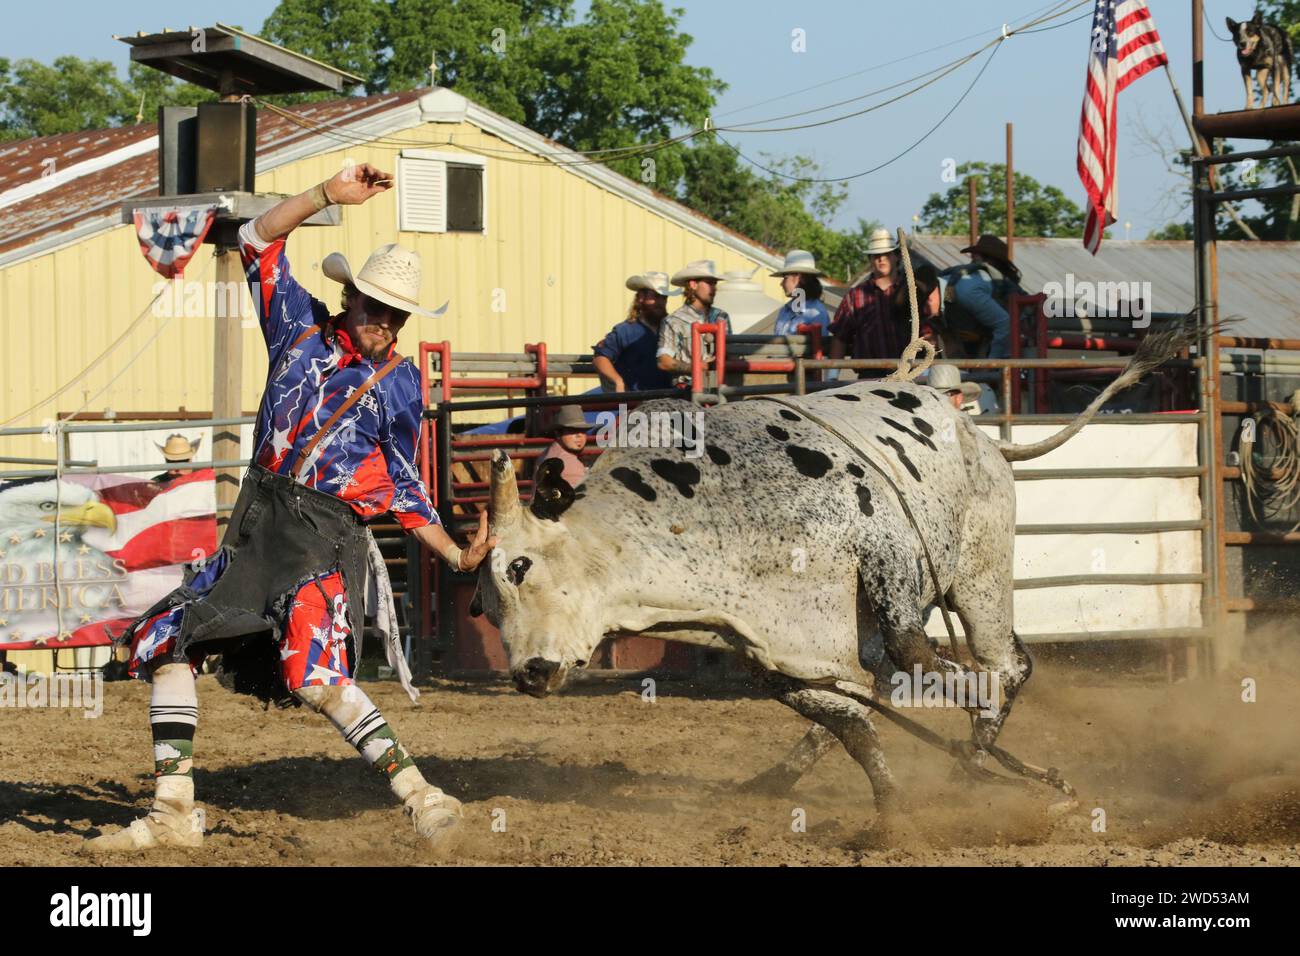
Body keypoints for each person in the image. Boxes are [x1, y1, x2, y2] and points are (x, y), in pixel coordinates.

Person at [87, 162, 495, 855]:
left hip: (322, 541)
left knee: (316, 679)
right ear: (351, 298)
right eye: (375, 305)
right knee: (166, 642)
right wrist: (325, 197)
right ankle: (173, 811)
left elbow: (403, 484)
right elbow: (254, 239)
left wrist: (456, 554)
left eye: (395, 313)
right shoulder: (299, 326)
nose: (383, 321)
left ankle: (423, 796)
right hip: (258, 528)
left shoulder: (399, 388)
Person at [829, 229, 937, 377]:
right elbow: (840, 336)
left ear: (896, 256)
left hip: (908, 373)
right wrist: (832, 375)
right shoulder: (855, 296)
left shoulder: (912, 290)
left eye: (886, 254)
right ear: (870, 260)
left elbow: (926, 332)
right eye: (876, 255)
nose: (881, 259)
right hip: (869, 376)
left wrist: (926, 371)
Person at [939, 234, 1022, 360]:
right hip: (967, 323)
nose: (973, 257)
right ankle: (994, 365)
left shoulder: (959, 275)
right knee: (1005, 324)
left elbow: (949, 299)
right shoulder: (986, 278)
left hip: (953, 311)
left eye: (975, 254)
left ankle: (990, 365)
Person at [592, 272, 676, 393]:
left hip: (668, 399)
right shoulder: (624, 330)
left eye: (664, 298)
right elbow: (600, 358)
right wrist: (618, 381)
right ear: (641, 298)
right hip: (633, 400)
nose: (660, 302)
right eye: (656, 297)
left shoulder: (672, 328)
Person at [657, 259, 732, 388]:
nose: (714, 288)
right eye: (709, 283)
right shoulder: (674, 321)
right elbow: (664, 362)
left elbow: (730, 352)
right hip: (687, 391)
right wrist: (698, 367)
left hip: (718, 388)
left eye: (715, 283)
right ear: (693, 285)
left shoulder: (721, 317)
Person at [771, 250, 832, 338]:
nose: (781, 284)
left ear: (799, 278)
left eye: (785, 278)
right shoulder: (785, 310)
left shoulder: (816, 313)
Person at [536, 404, 590, 490]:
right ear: (558, 434)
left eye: (582, 431)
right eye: (572, 430)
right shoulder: (568, 463)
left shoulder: (546, 454)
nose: (579, 435)